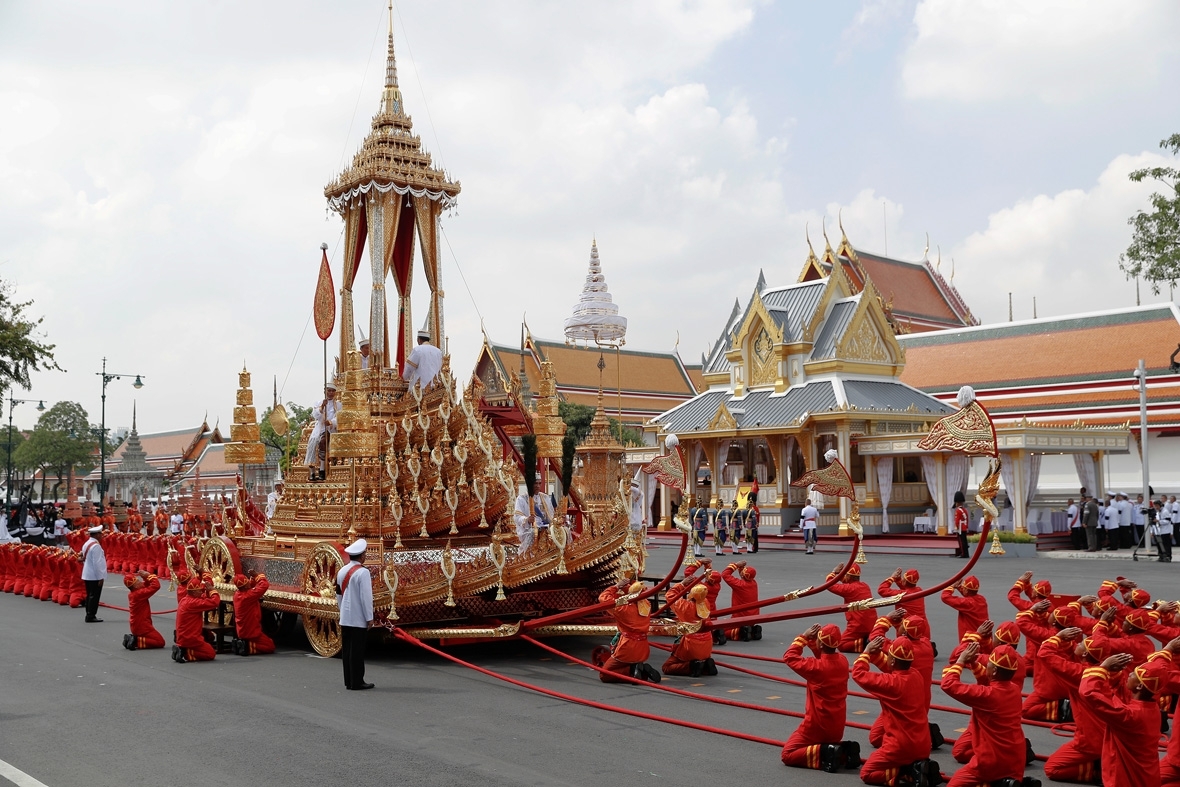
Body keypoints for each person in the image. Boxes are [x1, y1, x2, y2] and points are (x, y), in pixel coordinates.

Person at [852, 637, 936, 787]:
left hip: (900, 746)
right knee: (876, 736)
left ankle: (908, 771)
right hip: (923, 745)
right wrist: (875, 654)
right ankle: (917, 769)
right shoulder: (916, 675)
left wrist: (866, 652)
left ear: (892, 661)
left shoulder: (891, 684)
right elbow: (892, 666)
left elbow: (858, 673)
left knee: (867, 773)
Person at [940, 642, 1025, 787]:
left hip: (991, 760)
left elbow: (948, 684)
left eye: (989, 664)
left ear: (994, 671)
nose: (987, 665)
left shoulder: (988, 695)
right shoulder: (1014, 689)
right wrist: (973, 663)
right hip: (1016, 759)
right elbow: (989, 681)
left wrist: (960, 661)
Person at [1080, 652, 1171, 787]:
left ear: (1139, 686)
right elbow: (1116, 697)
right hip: (1146, 778)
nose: (1129, 674)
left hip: (1124, 780)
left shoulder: (1129, 715)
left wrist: (1102, 668)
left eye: (1134, 674)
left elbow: (1089, 694)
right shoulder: (1152, 708)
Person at [781, 624, 857, 773]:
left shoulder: (816, 668)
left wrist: (803, 637)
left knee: (788, 754)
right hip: (837, 728)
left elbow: (789, 657)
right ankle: (841, 753)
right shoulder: (842, 661)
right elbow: (825, 657)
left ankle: (824, 752)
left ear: (821, 643)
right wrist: (813, 640)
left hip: (815, 727)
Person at [593, 580, 659, 683]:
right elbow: (635, 594)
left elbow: (603, 598)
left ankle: (632, 670)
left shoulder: (622, 609)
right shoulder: (647, 605)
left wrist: (616, 586)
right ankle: (638, 669)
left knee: (604, 674)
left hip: (627, 647)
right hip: (643, 648)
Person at [336, 538, 374, 690]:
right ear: (362, 556)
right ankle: (357, 681)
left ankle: (349, 680)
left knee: (347, 650)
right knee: (357, 651)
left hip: (345, 617)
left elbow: (338, 594)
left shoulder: (342, 571)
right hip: (358, 618)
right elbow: (366, 598)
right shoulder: (363, 573)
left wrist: (342, 610)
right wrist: (369, 618)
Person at [661, 579, 716, 677]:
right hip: (707, 643)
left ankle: (692, 666)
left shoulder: (685, 606)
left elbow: (669, 595)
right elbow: (701, 590)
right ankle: (705, 665)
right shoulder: (706, 602)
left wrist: (682, 584)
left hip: (691, 644)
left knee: (667, 667)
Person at [826, 563, 875, 652]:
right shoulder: (865, 586)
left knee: (842, 645)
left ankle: (866, 643)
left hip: (857, 625)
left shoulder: (849, 589)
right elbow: (848, 583)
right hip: (871, 623)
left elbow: (829, 584)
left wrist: (833, 573)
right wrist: (840, 574)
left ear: (848, 576)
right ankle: (868, 639)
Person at [172, 573, 220, 663]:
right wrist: (213, 591)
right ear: (194, 592)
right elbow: (214, 602)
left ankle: (183, 649)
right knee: (210, 654)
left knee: (209, 637)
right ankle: (185, 653)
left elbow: (203, 596)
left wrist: (207, 587)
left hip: (184, 636)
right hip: (190, 638)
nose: (201, 592)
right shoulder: (193, 603)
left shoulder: (185, 599)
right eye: (199, 591)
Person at [232, 572, 274, 656]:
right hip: (251, 631)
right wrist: (257, 576)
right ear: (246, 586)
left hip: (244, 630)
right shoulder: (248, 596)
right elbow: (264, 585)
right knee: (270, 646)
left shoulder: (237, 594)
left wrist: (252, 579)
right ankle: (247, 646)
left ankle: (244, 643)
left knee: (269, 642)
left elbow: (249, 587)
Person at [122, 570, 165, 651]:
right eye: (138, 581)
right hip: (142, 626)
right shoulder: (138, 594)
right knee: (159, 642)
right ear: (135, 586)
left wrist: (146, 577)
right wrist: (149, 576)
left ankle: (135, 639)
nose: (140, 582)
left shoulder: (134, 593)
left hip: (138, 625)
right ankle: (136, 641)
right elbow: (156, 586)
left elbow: (146, 585)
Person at [305, 383, 340, 481]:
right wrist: (321, 407)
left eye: (333, 391)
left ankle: (322, 470)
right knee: (312, 444)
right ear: (325, 391)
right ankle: (312, 472)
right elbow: (316, 415)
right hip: (319, 428)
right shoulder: (318, 402)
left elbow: (339, 418)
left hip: (330, 429)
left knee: (322, 442)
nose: (331, 393)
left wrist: (331, 422)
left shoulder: (338, 405)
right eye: (329, 390)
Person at [940, 575, 989, 642]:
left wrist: (951, 587)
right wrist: (959, 587)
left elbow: (945, 597)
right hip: (982, 639)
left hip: (970, 639)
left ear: (966, 590)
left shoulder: (967, 603)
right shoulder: (981, 599)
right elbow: (969, 594)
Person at [721, 561, 761, 641]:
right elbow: (744, 576)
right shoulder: (754, 583)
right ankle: (753, 631)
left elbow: (725, 574)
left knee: (722, 630)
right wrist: (741, 568)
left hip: (740, 617)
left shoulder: (739, 585)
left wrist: (736, 565)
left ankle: (740, 632)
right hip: (754, 616)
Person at [513, 485, 553, 555]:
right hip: (529, 530)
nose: (538, 486)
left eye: (539, 483)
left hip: (545, 529)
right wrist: (527, 520)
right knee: (533, 533)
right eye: (535, 483)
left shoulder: (545, 497)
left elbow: (551, 516)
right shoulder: (521, 498)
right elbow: (517, 517)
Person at [79, 525, 106, 622]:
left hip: (87, 573)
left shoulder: (87, 543)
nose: (102, 535)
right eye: (100, 533)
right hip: (94, 575)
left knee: (90, 595)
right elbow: (97, 563)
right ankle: (91, 615)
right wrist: (100, 577)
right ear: (97, 535)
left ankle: (89, 614)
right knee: (94, 596)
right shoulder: (96, 546)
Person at [950, 491, 969, 558]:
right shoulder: (964, 510)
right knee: (964, 541)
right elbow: (967, 519)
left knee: (961, 541)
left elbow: (957, 520)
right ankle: (965, 553)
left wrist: (956, 528)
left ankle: (963, 553)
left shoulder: (958, 510)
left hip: (960, 527)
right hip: (964, 526)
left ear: (957, 502)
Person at [1153, 498, 1173, 562]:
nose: (1156, 507)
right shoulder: (1158, 512)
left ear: (1160, 505)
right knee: (1159, 544)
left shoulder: (1165, 511)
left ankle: (1168, 556)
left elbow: (1167, 521)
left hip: (1165, 531)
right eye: (1155, 506)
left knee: (1166, 545)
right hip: (1160, 531)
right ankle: (1161, 556)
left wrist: (1158, 521)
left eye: (1157, 506)